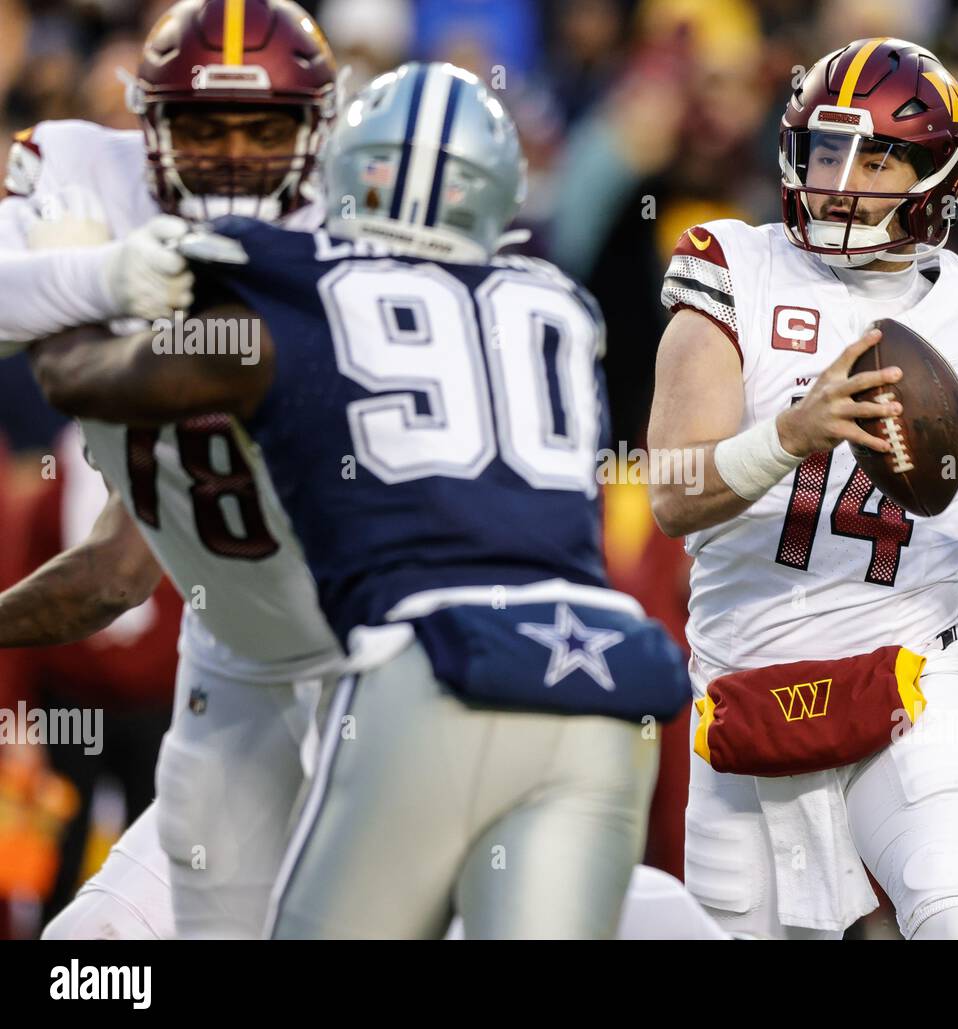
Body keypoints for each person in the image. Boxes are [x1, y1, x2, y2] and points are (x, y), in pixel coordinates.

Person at [29, 61, 692, 939]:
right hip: (602, 678)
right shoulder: (562, 308)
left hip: (427, 669)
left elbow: (82, 377)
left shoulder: (292, 285)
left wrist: (81, 277)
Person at [646, 37, 958, 939]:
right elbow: (672, 493)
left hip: (911, 684)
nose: (840, 183)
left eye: (876, 159)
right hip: (748, 699)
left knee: (957, 915)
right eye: (824, 151)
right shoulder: (733, 267)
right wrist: (788, 436)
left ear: (939, 175)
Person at [0, 0, 343, 938]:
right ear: (149, 124)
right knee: (95, 954)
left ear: (317, 133)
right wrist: (107, 276)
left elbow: (77, 371)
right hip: (238, 689)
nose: (233, 155)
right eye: (203, 125)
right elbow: (115, 572)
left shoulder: (355, 250)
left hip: (392, 686)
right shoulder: (90, 176)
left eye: (265, 129)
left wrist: (97, 287)